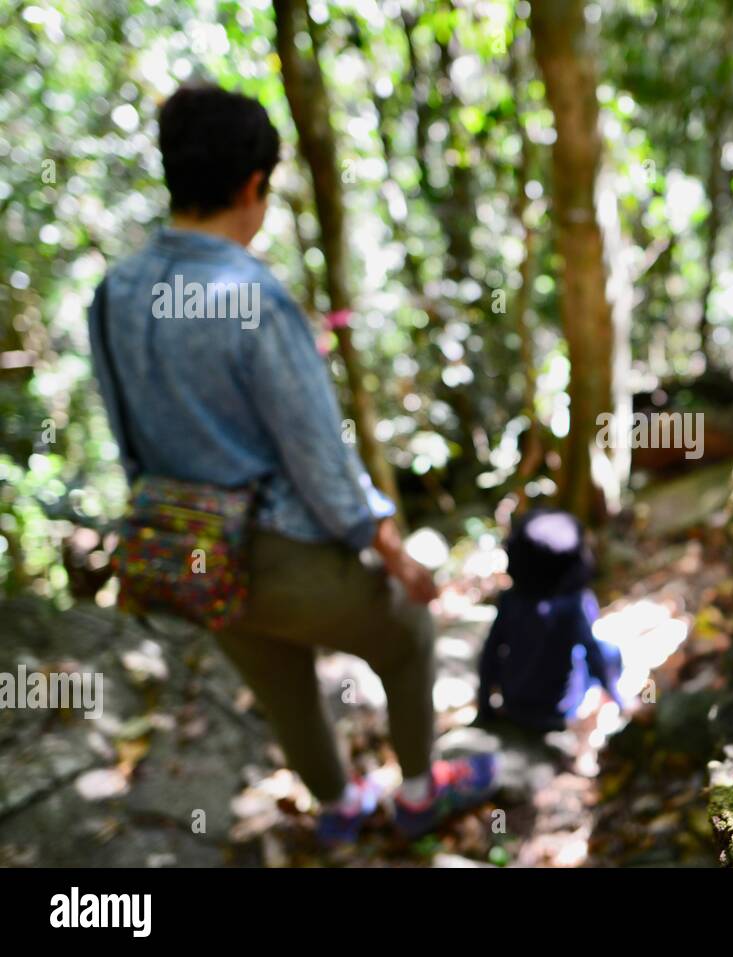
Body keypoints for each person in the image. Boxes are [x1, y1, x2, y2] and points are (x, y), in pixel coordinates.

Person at [86, 84, 495, 845]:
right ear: (254, 185)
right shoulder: (251, 296)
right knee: (407, 632)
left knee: (283, 687)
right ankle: (414, 796)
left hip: (185, 553)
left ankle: (339, 812)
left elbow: (128, 441)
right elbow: (319, 457)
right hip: (276, 549)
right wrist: (390, 551)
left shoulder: (114, 294)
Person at [477, 508, 623, 732]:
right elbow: (594, 653)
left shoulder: (510, 600)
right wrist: (619, 699)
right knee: (610, 650)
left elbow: (490, 653)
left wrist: (485, 707)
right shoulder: (575, 604)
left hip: (515, 705)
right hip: (560, 709)